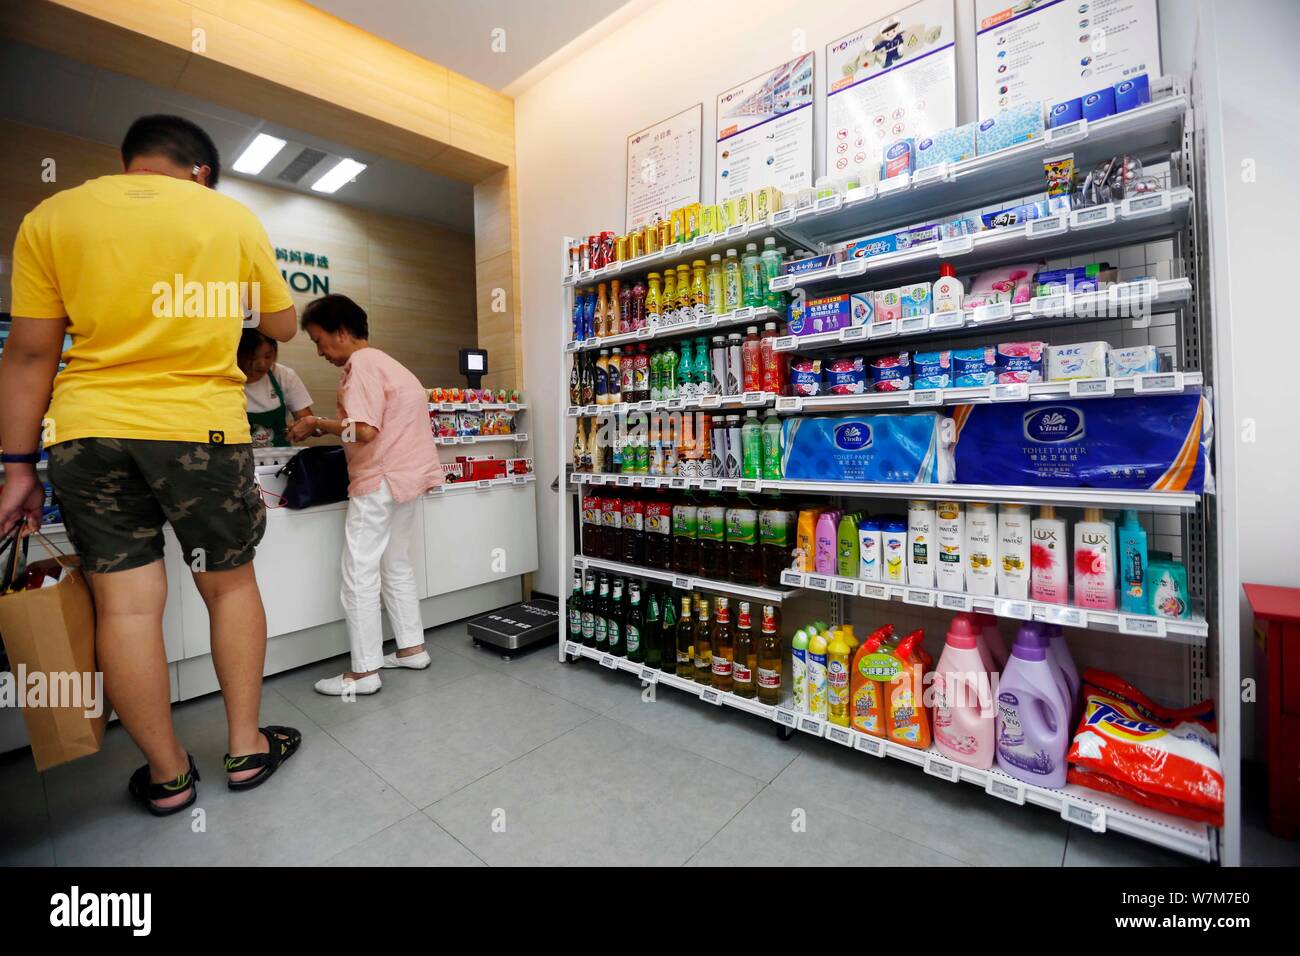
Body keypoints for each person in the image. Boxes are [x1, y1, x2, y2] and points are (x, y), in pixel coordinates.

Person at [0, 115, 303, 815]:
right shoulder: (227, 216)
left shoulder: (53, 216)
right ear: (202, 170)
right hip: (199, 430)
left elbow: (29, 354)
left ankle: (167, 777)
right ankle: (245, 748)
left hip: (85, 431)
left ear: (126, 159)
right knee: (228, 589)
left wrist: (18, 468)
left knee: (127, 606)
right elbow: (283, 326)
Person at [287, 294, 442, 695]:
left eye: (320, 341)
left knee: (359, 572)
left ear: (341, 333)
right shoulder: (393, 365)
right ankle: (411, 648)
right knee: (396, 563)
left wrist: (320, 424)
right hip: (407, 479)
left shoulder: (362, 367)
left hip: (380, 481)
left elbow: (365, 430)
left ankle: (364, 672)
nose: (320, 352)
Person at [238, 328, 315, 446]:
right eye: (252, 358)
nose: (262, 364)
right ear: (238, 354)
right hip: (238, 459)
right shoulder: (223, 379)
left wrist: (300, 427)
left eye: (268, 357)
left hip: (279, 457)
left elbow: (306, 419)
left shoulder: (285, 376)